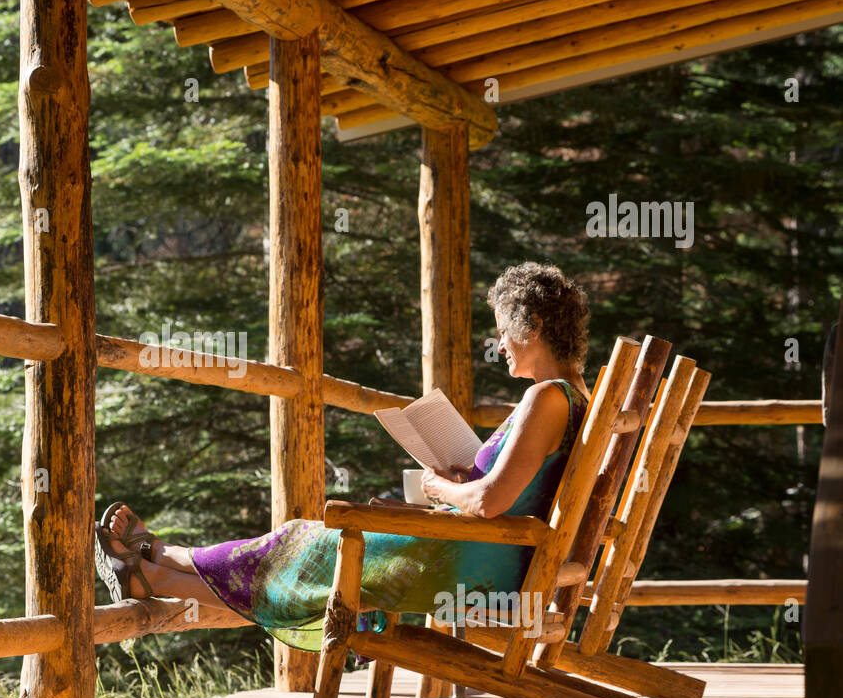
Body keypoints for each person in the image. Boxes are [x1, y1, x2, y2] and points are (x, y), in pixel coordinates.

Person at [94, 262, 593, 651]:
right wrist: (465, 473)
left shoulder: (546, 398)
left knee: (300, 545)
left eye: (504, 329)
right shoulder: (575, 398)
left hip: (473, 562)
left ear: (534, 324)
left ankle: (153, 572)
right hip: (489, 556)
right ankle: (155, 558)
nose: (500, 343)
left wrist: (441, 487)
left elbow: (488, 501)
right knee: (298, 543)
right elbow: (515, 486)